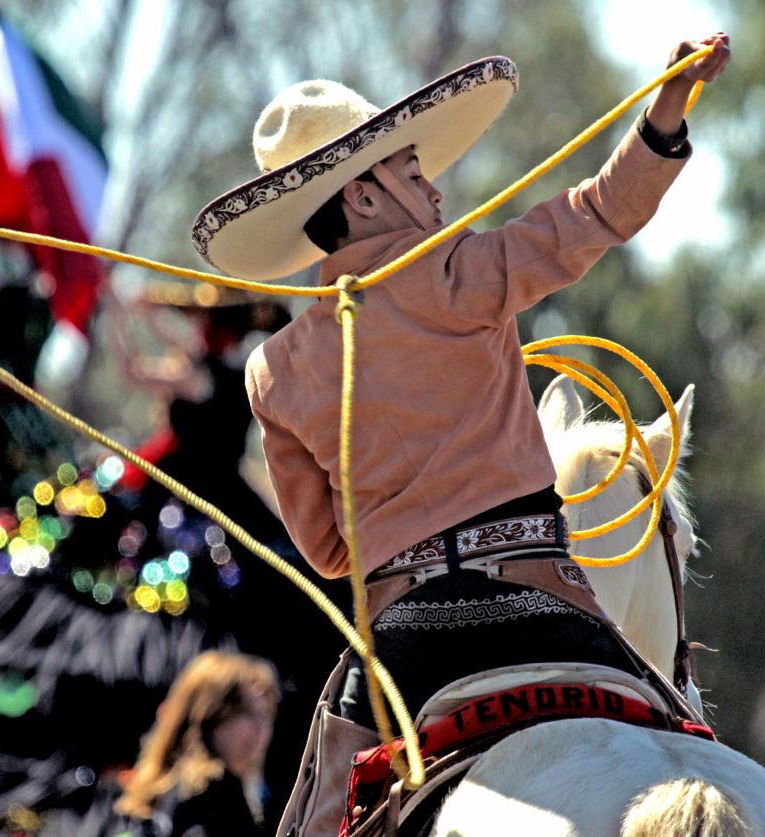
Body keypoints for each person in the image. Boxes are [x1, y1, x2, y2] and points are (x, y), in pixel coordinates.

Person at [189, 34, 731, 830]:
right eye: (412, 172)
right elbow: (600, 211)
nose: (434, 191)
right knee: (691, 738)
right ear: (364, 197)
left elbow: (331, 553)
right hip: (542, 604)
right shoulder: (460, 274)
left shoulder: (276, 370)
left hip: (407, 640)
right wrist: (666, 111)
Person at [114, 650, 279, 837]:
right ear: (208, 716)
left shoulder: (160, 789)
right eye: (246, 712)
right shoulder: (216, 793)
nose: (260, 729)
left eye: (265, 715)